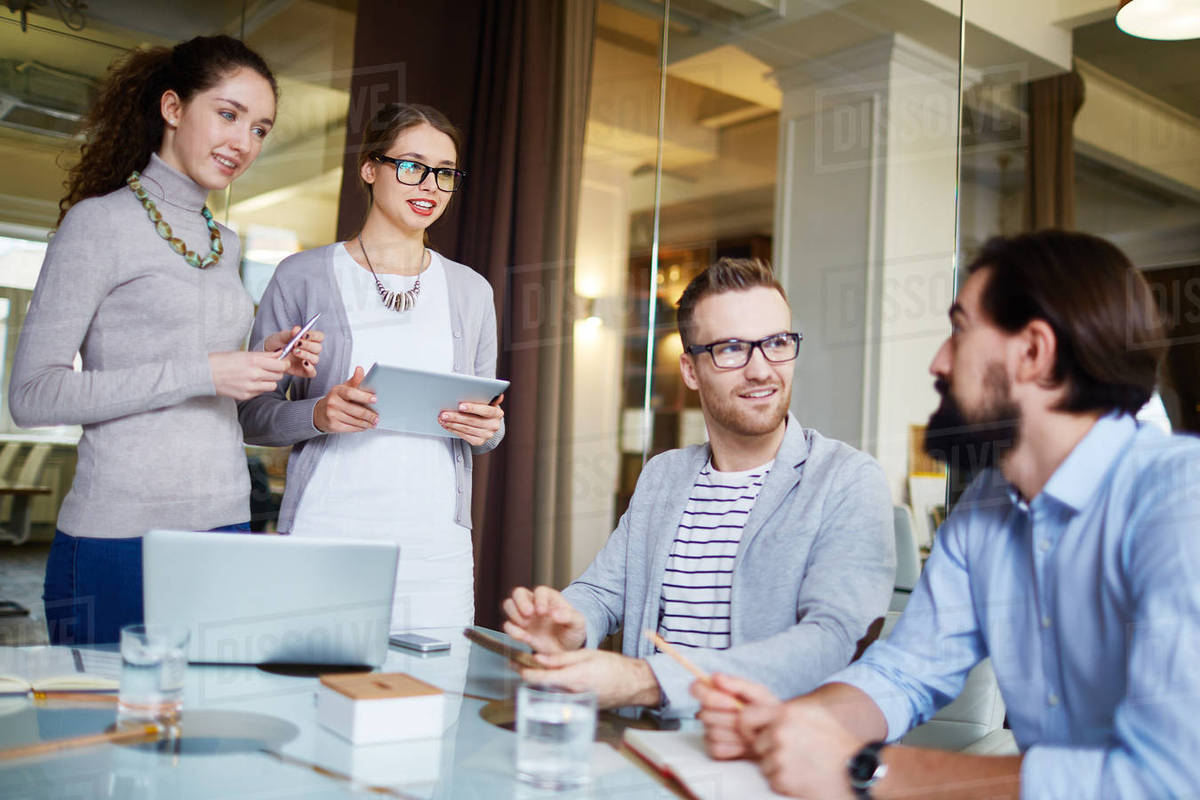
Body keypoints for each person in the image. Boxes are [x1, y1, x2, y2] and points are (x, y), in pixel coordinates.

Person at [693, 230, 1200, 799]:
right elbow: (903, 673)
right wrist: (794, 725)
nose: (938, 360)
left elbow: (1167, 781)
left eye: (959, 331)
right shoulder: (985, 510)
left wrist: (868, 773)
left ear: (1033, 352)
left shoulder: (1181, 501)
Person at [9, 35, 321, 645]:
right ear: (173, 108)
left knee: (205, 732)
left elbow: (216, 385)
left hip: (224, 528)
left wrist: (271, 360)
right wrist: (204, 372)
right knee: (105, 737)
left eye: (260, 129)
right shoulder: (98, 224)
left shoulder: (226, 244)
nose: (242, 142)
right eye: (227, 114)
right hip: (118, 538)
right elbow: (33, 394)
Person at [502, 258, 894, 718]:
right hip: (646, 748)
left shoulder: (846, 480)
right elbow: (604, 591)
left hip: (766, 760)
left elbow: (833, 639)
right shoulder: (664, 475)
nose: (761, 370)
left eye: (777, 343)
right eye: (731, 349)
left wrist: (646, 681)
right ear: (690, 370)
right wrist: (571, 622)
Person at [238, 103, 504, 632]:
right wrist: (320, 413)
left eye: (445, 172)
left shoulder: (472, 292)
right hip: (325, 533)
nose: (428, 183)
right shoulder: (302, 276)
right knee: (312, 697)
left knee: (432, 706)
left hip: (435, 551)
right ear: (369, 168)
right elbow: (252, 414)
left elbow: (486, 426)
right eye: (410, 165)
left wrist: (488, 429)